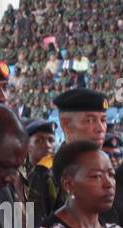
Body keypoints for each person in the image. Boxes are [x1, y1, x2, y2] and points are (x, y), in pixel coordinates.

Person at [27, 88, 108, 220]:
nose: (100, 128)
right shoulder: (46, 173)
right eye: (90, 120)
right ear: (67, 125)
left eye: (103, 120)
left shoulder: (108, 169)